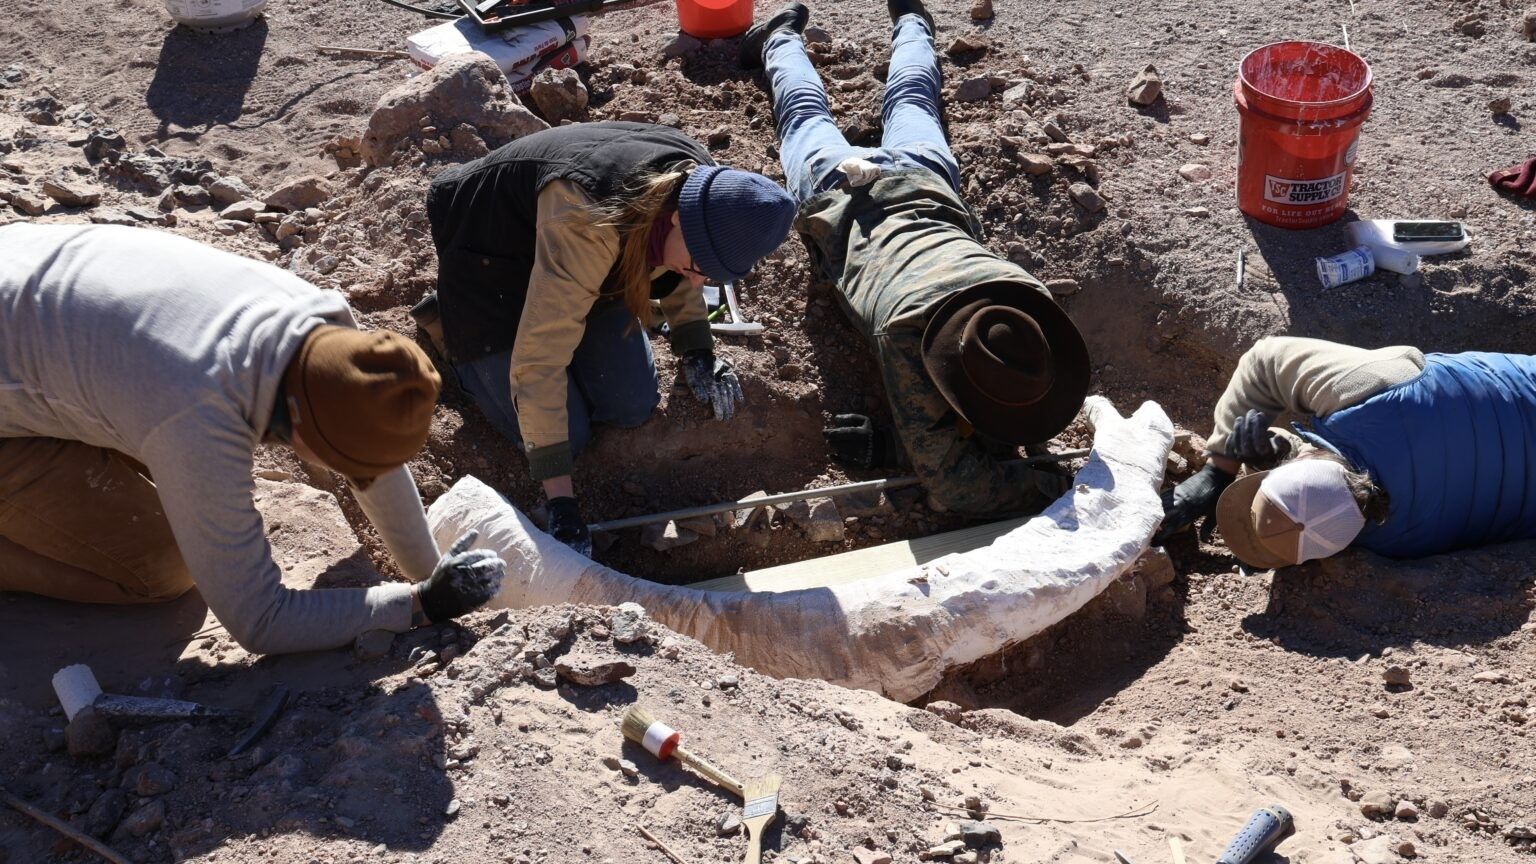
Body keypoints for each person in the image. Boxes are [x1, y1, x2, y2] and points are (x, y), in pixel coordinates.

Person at [0, 224, 505, 656]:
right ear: (299, 429)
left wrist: (430, 570)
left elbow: (370, 448)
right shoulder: (198, 412)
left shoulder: (321, 322)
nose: (360, 476)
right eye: (347, 464)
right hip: (45, 349)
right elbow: (261, 620)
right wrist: (419, 604)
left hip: (25, 267)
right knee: (161, 570)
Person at [737, 0, 1092, 517]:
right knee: (803, 113)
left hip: (924, 180)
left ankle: (908, 23)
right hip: (840, 195)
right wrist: (1054, 489)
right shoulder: (906, 334)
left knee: (912, 99)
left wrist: (900, 448)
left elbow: (952, 455)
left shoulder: (1027, 299)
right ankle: (780, 37)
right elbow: (956, 485)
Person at [414, 121, 798, 555]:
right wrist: (562, 505)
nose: (697, 282)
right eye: (698, 268)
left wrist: (696, 347)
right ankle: (449, 325)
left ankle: (566, 315)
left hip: (579, 260)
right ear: (677, 217)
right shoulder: (587, 215)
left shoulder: (704, 188)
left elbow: (685, 261)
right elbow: (540, 360)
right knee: (568, 438)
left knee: (631, 404)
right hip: (489, 262)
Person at [1157, 336, 1536, 568]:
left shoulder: (1399, 543)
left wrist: (1238, 464)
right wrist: (1222, 466)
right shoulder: (1376, 392)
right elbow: (1265, 359)